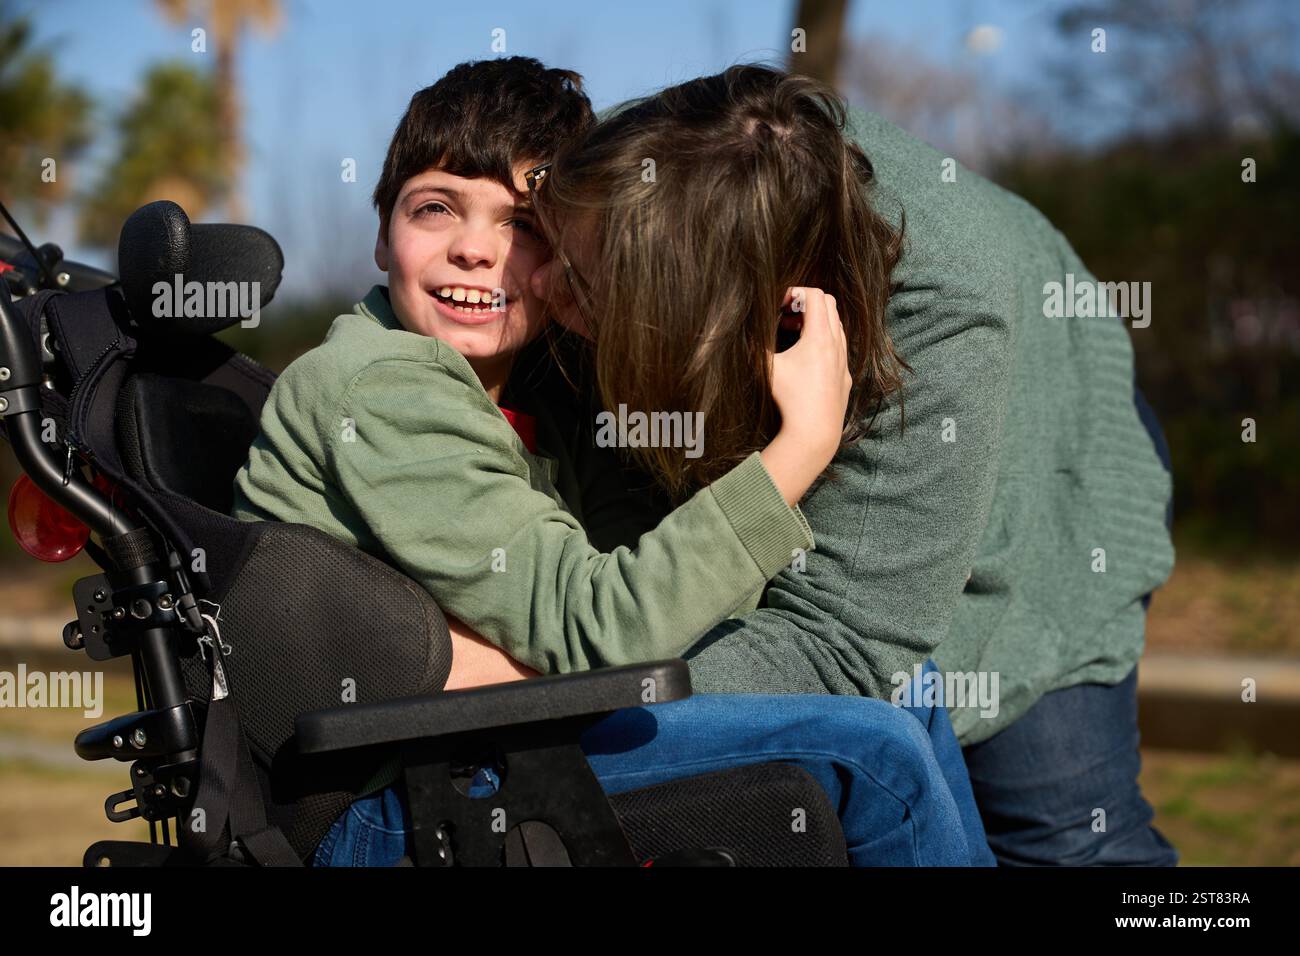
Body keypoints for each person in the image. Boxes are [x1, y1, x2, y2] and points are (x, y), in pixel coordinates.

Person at [230, 56, 993, 867]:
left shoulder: (534, 396)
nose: (474, 251)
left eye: (521, 226)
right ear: (382, 236)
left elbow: (636, 596)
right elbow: (601, 629)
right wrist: (797, 449)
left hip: (477, 748)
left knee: (910, 696)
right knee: (876, 758)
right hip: (394, 800)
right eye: (435, 209)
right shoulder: (381, 383)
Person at [519, 64, 1178, 866]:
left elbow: (838, 644)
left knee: (1063, 833)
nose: (539, 285)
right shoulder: (621, 166)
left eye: (585, 288)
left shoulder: (943, 316)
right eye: (551, 245)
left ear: (706, 316)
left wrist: (548, 704)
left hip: (1040, 482)